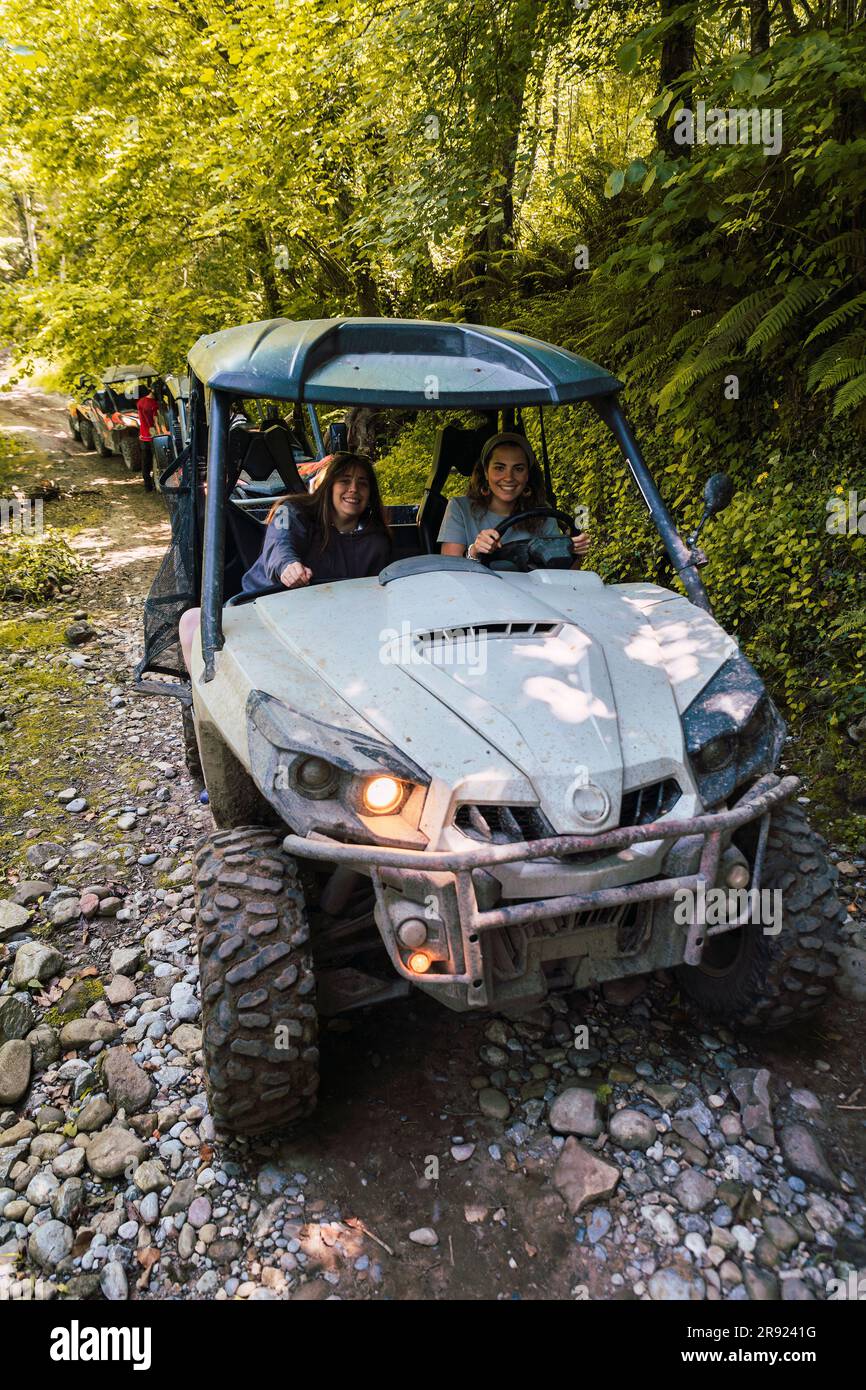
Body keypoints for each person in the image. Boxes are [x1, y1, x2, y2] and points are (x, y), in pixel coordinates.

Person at [179, 452, 391, 672]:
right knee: (191, 621)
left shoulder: (376, 542)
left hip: (330, 621)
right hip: (265, 608)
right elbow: (280, 544)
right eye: (345, 481)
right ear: (329, 486)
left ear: (370, 495)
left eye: (362, 484)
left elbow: (375, 598)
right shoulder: (293, 511)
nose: (354, 489)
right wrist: (288, 566)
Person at [438, 432, 591, 563]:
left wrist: (576, 553)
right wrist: (475, 551)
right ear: (486, 471)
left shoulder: (542, 512)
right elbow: (451, 572)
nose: (509, 477)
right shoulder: (459, 508)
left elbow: (565, 577)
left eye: (518, 469)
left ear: (527, 474)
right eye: (499, 468)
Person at [136, 383, 161, 492]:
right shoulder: (154, 404)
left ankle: (148, 486)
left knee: (145, 463)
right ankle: (158, 484)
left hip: (143, 436)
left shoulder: (140, 402)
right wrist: (160, 433)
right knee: (157, 461)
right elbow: (155, 422)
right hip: (152, 437)